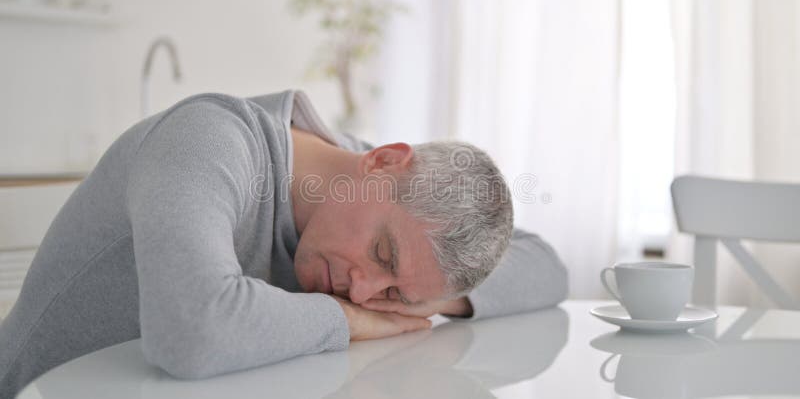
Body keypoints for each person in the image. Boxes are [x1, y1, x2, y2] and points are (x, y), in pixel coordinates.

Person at [0, 90, 568, 397]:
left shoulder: (368, 181)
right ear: (385, 159)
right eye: (384, 255)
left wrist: (420, 295)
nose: (365, 291)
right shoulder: (211, 140)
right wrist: (347, 320)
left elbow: (546, 267)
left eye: (395, 293)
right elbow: (193, 332)